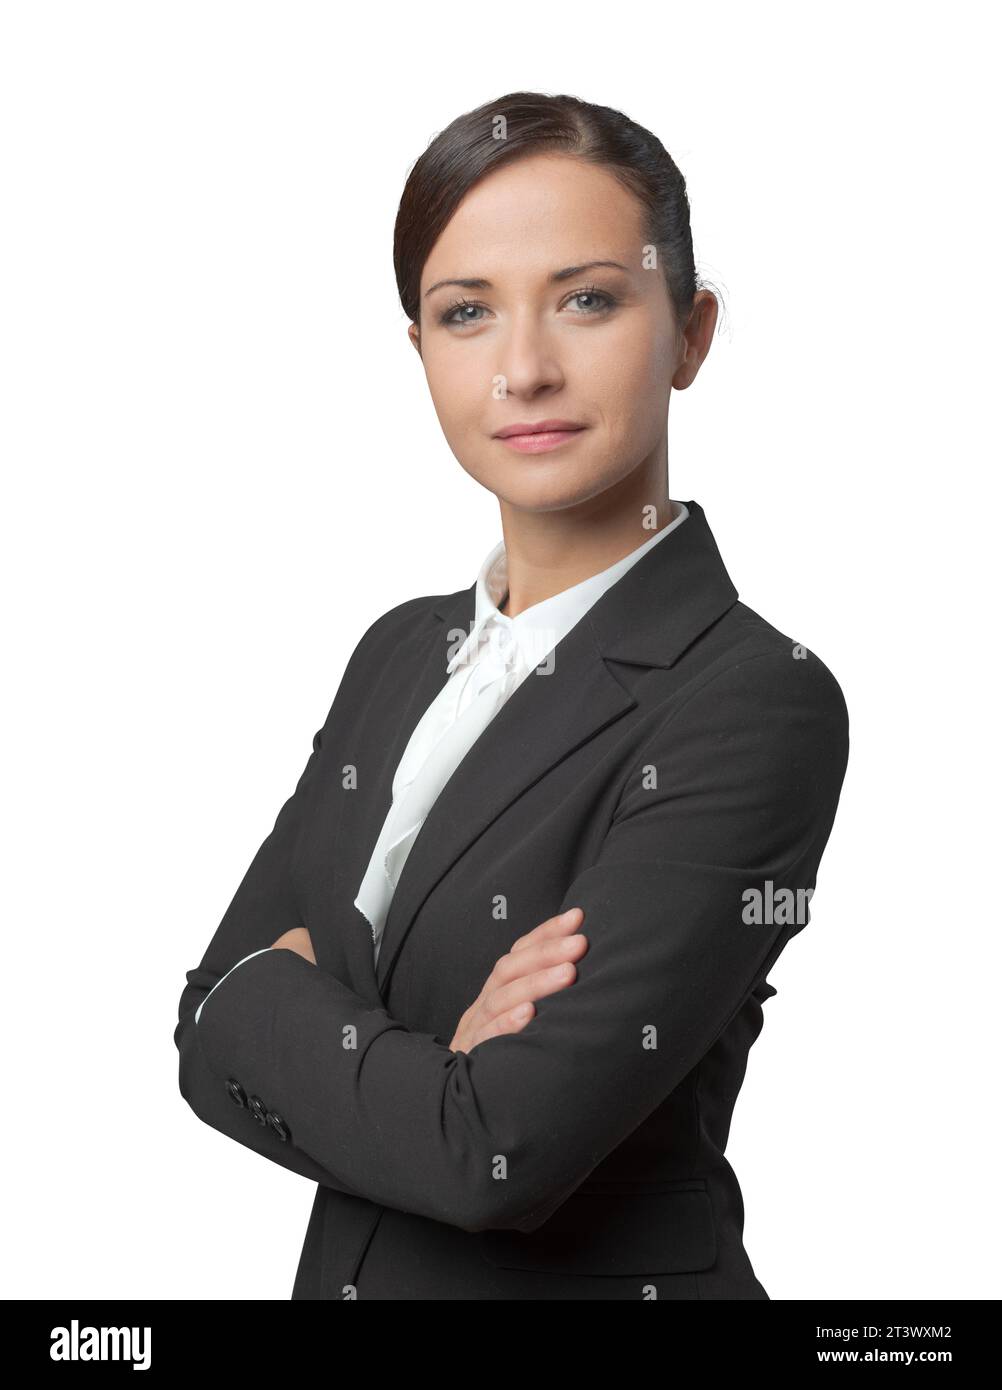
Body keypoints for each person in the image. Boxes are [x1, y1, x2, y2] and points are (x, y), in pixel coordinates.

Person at [174, 91, 850, 1300]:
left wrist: (281, 998)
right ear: (423, 348)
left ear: (690, 333)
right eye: (466, 313)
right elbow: (197, 1031)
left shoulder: (755, 702)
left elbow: (493, 1150)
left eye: (589, 298)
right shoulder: (395, 654)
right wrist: (419, 1062)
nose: (525, 368)